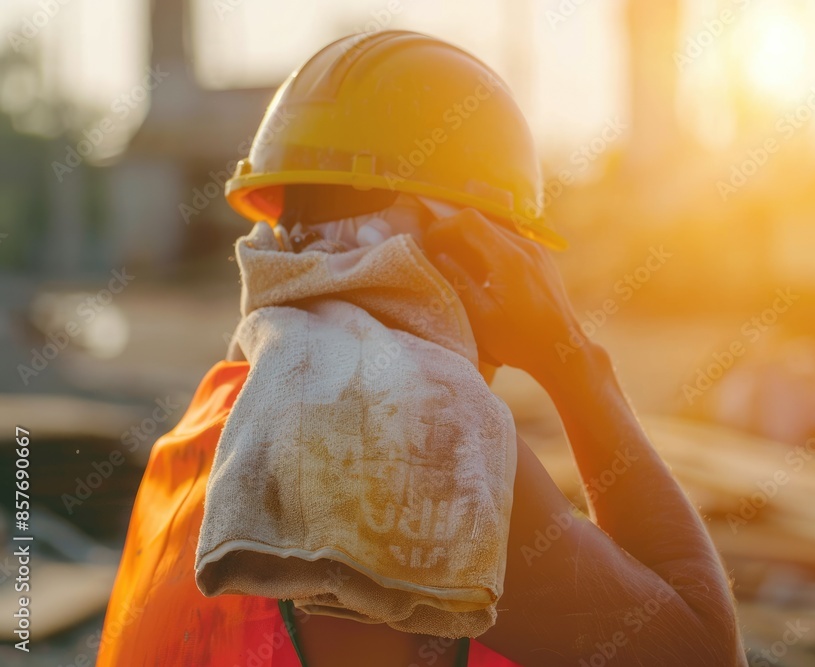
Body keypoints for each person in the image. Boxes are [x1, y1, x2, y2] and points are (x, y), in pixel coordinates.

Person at [97, 31, 745, 667]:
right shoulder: (409, 432)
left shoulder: (230, 415)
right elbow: (706, 653)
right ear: (476, 245)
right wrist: (570, 357)